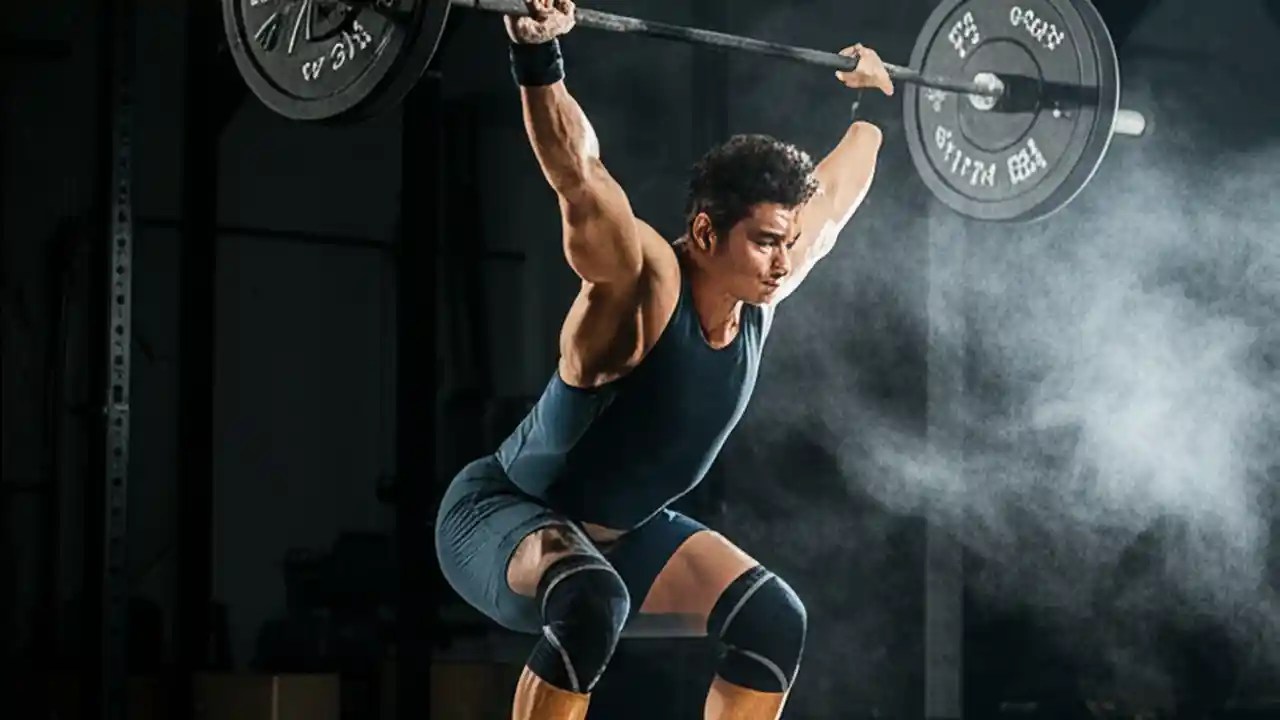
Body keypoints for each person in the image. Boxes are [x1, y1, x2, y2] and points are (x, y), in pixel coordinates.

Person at [434, 1, 894, 717]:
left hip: (621, 541)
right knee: (591, 599)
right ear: (705, 231)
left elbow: (832, 206)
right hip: (501, 520)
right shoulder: (642, 287)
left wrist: (870, 103)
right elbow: (577, 176)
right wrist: (536, 55)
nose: (783, 259)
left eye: (786, 240)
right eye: (767, 240)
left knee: (773, 620)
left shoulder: (761, 293)